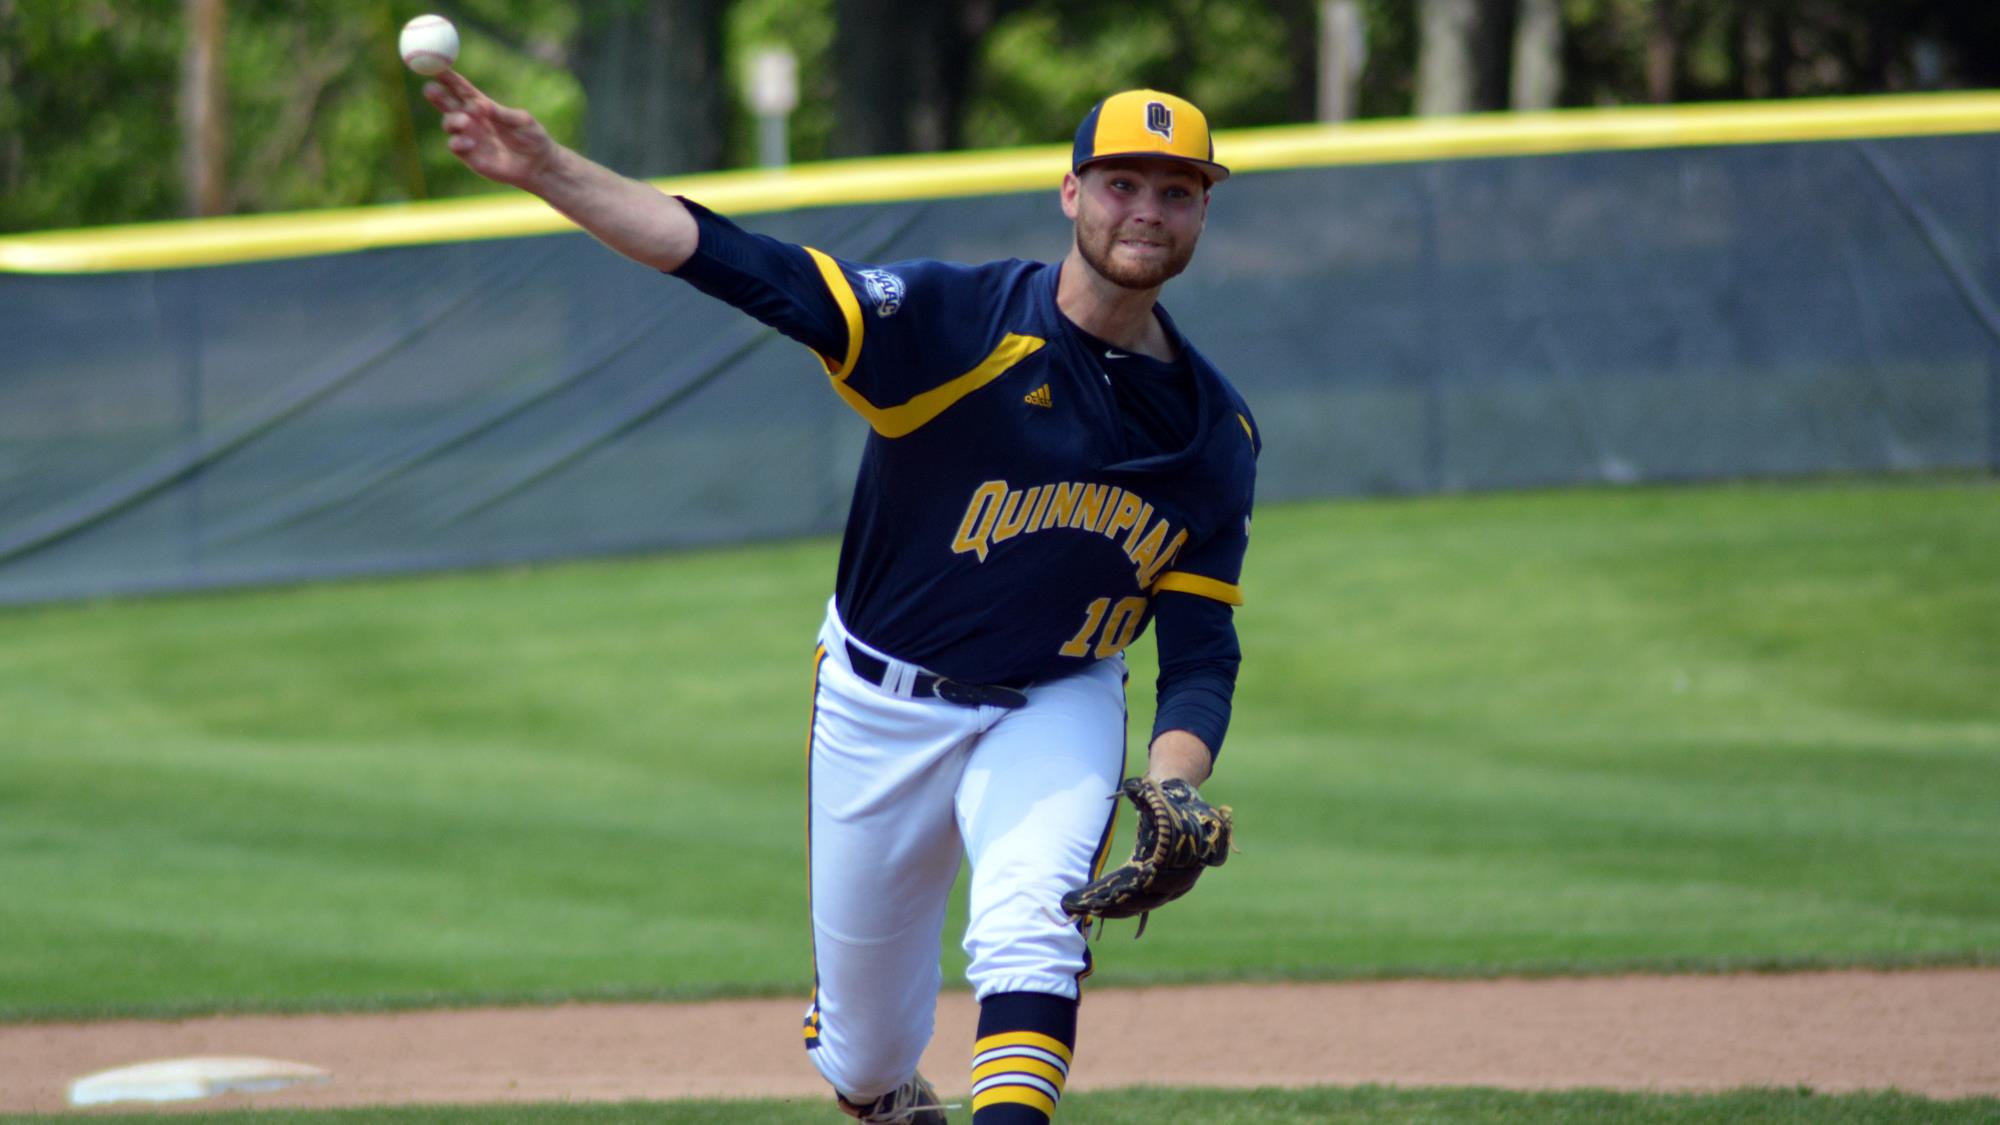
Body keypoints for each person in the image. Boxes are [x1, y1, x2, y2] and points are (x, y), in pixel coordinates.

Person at [424, 73, 1258, 1125]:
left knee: (1032, 929)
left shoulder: (1212, 432)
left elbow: (1199, 649)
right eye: (1121, 183)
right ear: (1070, 193)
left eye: (1176, 190)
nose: (1146, 210)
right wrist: (551, 170)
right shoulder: (955, 324)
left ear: (1203, 210)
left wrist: (1177, 782)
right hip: (879, 703)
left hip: (1054, 699)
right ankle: (882, 1089)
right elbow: (736, 262)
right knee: (863, 1059)